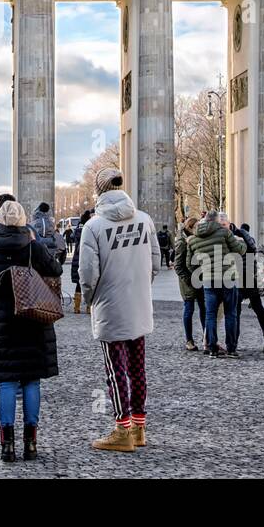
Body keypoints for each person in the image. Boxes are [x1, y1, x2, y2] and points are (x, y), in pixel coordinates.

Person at [0, 199, 61, 463]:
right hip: (34, 318)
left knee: (7, 382)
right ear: (23, 220)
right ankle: (31, 444)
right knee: (32, 380)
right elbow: (55, 270)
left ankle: (6, 445)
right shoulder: (33, 246)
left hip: (1, 321)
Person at [79, 167, 160, 453]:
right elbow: (155, 261)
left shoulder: (94, 226)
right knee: (138, 367)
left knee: (116, 371)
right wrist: (141, 286)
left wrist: (90, 299)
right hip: (138, 303)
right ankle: (139, 426)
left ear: (99, 190)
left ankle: (122, 428)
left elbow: (88, 273)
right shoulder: (144, 219)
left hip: (110, 305)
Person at [188, 211, 246, 358]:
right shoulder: (224, 233)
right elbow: (239, 250)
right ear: (215, 221)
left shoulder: (193, 239)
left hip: (208, 281)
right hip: (227, 278)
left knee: (210, 315)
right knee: (230, 314)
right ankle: (231, 348)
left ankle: (212, 348)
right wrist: (241, 241)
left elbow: (190, 264)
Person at [232, 220, 264, 352]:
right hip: (248, 277)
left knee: (239, 310)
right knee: (257, 308)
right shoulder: (250, 240)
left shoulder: (237, 239)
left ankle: (234, 341)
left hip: (242, 278)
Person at [173, 217, 206, 350]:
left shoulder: (196, 239)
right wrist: (189, 280)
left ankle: (206, 337)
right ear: (190, 228)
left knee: (204, 309)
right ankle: (189, 340)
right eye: (197, 227)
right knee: (189, 309)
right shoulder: (182, 242)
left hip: (199, 278)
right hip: (187, 282)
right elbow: (178, 266)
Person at [70, 209, 92, 315]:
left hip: (77, 258)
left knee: (78, 284)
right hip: (87, 258)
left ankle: (76, 307)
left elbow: (72, 238)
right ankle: (89, 307)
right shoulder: (90, 229)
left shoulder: (77, 230)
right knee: (91, 283)